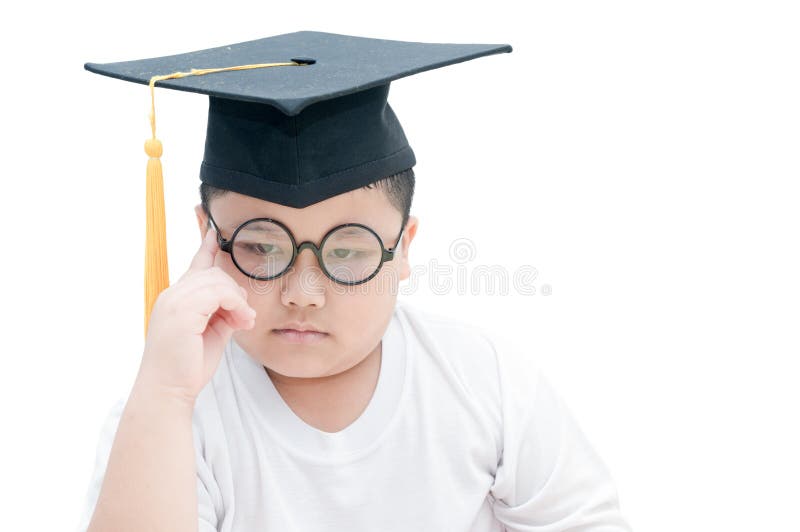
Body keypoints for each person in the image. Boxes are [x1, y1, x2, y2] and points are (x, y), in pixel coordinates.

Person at [76, 31, 633, 532]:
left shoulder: (483, 380)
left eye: (346, 252)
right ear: (207, 238)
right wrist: (167, 396)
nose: (302, 293)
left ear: (403, 247)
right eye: (261, 248)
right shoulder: (171, 415)